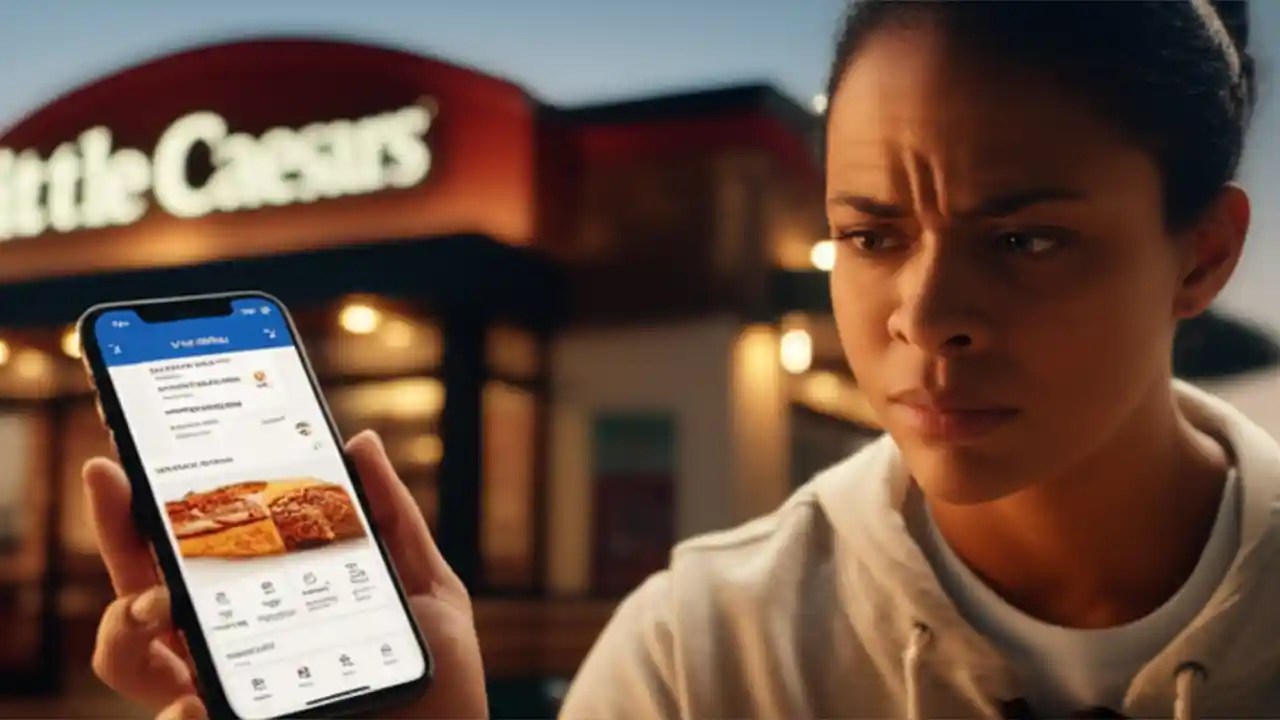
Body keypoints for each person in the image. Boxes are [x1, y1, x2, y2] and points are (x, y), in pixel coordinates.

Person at [86, 1, 1277, 718]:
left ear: (1198, 255)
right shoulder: (704, 648)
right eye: (868, 235)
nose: (924, 312)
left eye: (1023, 239)